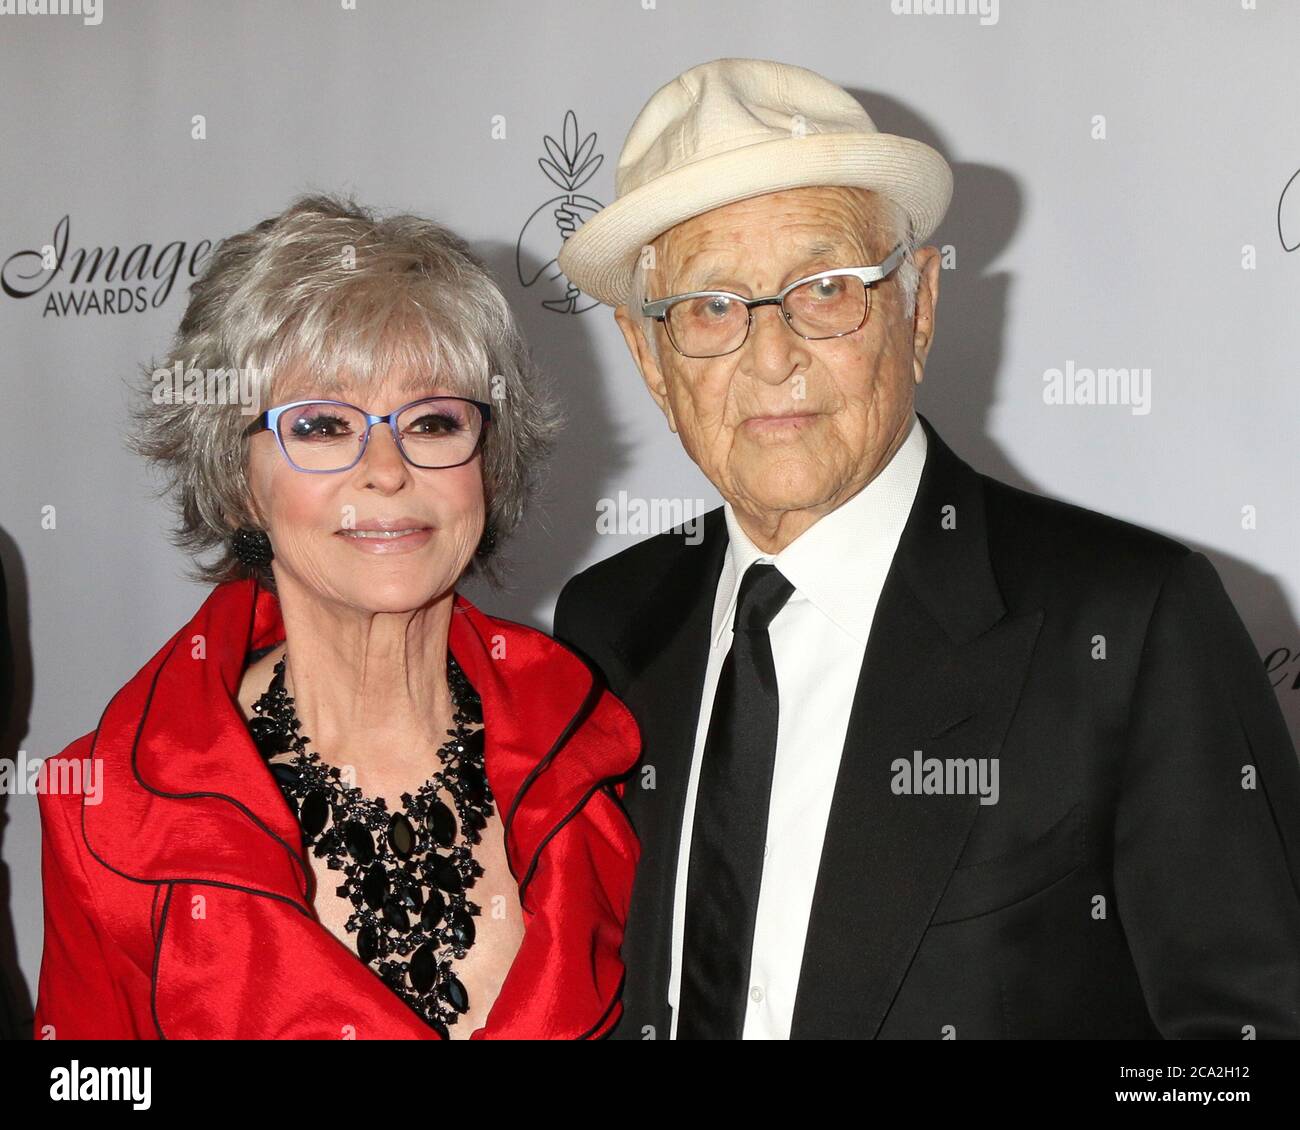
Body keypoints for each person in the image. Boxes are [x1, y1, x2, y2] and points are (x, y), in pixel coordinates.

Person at [553, 57, 1300, 1039]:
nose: (769, 356)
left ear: (920, 306)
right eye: (711, 307)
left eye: (824, 289)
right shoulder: (608, 627)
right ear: (649, 355)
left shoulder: (1127, 621)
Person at [34, 193, 641, 1040]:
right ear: (239, 481)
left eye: (432, 421)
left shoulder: (606, 746)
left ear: (488, 467)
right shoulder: (112, 812)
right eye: (321, 425)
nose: (386, 471)